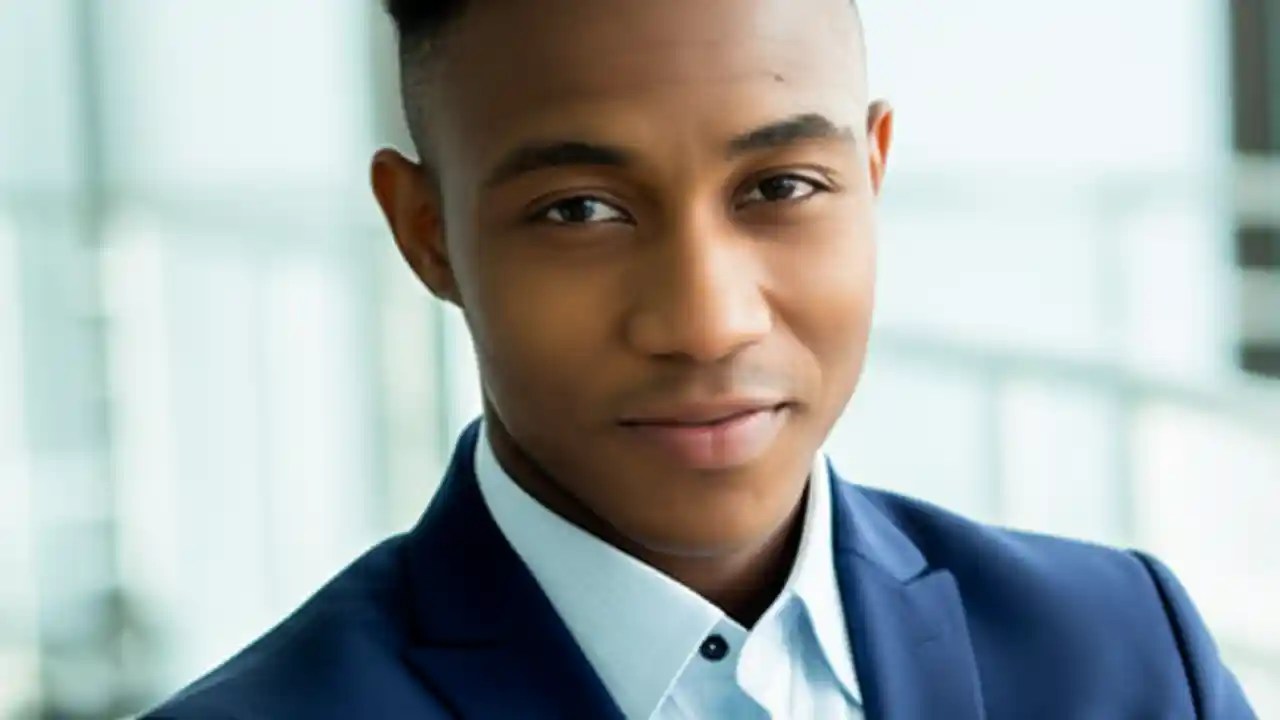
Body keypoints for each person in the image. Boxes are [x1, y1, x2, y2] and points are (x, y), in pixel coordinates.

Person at [146, 0, 1256, 717]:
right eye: (578, 209)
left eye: (778, 188)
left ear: (869, 172)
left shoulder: (1118, 648)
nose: (706, 319)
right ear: (426, 232)